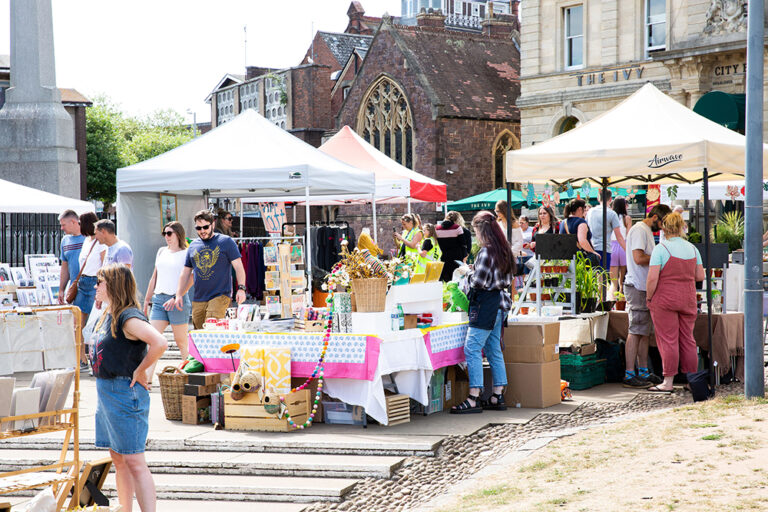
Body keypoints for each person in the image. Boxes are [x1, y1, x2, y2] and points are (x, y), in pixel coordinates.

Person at [91, 264, 167, 512]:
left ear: (112, 285)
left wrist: (141, 368)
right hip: (109, 392)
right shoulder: (111, 314)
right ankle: (125, 509)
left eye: (100, 282)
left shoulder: (128, 316)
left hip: (124, 391)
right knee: (119, 458)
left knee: (133, 459)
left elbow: (160, 342)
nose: (96, 286)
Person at [450, 211, 513, 414]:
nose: (475, 235)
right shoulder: (503, 249)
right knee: (494, 349)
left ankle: (474, 396)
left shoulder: (486, 251)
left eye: (476, 230)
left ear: (482, 230)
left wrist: (467, 272)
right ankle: (497, 394)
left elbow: (478, 282)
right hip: (501, 304)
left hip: (486, 305)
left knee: (471, 348)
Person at [646, 212, 705, 393]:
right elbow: (700, 276)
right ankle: (691, 381)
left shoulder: (661, 249)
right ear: (681, 228)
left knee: (668, 340)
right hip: (687, 298)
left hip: (665, 300)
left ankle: (668, 381)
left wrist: (649, 297)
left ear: (664, 228)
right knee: (688, 339)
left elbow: (652, 279)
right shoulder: (693, 249)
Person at [622, 204, 671, 388]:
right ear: (656, 217)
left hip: (644, 287)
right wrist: (659, 255)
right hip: (637, 286)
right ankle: (629, 373)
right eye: (663, 222)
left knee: (643, 332)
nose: (663, 227)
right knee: (635, 330)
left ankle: (642, 371)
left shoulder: (647, 231)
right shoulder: (639, 230)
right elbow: (638, 258)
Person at [171, 210, 246, 329]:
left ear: (213, 224)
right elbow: (185, 273)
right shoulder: (193, 246)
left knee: (212, 331)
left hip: (220, 296)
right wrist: (179, 294)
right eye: (198, 228)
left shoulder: (226, 241)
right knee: (199, 334)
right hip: (199, 298)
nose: (202, 231)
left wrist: (241, 288)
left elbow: (239, 267)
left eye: (205, 227)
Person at [143, 222, 193, 379]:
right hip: (159, 299)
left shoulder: (186, 253)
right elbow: (154, 276)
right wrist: (146, 300)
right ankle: (147, 380)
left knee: (181, 341)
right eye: (164, 233)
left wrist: (176, 296)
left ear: (178, 233)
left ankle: (190, 375)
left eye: (169, 233)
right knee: (153, 341)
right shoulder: (161, 251)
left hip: (177, 300)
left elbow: (191, 279)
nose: (166, 237)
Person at [76, 212, 106, 369]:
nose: (78, 226)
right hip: (83, 282)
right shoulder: (86, 241)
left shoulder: (99, 242)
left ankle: (94, 357)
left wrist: (101, 285)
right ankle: (82, 358)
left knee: (94, 323)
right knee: (79, 323)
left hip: (94, 281)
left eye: (80, 222)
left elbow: (103, 265)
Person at [585, 188, 626, 270]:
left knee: (592, 279)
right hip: (605, 249)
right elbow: (619, 236)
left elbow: (586, 229)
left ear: (598, 198)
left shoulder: (590, 212)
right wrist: (627, 250)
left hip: (590, 248)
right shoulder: (612, 214)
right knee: (602, 278)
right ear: (611, 199)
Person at [58, 209, 84, 305]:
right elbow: (65, 267)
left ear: (73, 222)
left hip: (89, 287)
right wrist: (61, 290)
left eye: (63, 225)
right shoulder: (65, 240)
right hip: (74, 289)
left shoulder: (88, 238)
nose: (62, 228)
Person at [609, 197, 632, 297]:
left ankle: (612, 300)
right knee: (622, 281)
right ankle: (622, 302)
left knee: (613, 282)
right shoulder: (627, 218)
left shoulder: (610, 217)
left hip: (612, 246)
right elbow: (629, 234)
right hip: (624, 246)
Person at [436, 215, 468, 281]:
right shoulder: (457, 227)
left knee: (445, 278)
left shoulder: (437, 228)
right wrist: (464, 255)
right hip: (456, 257)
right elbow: (463, 243)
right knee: (456, 277)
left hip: (443, 256)